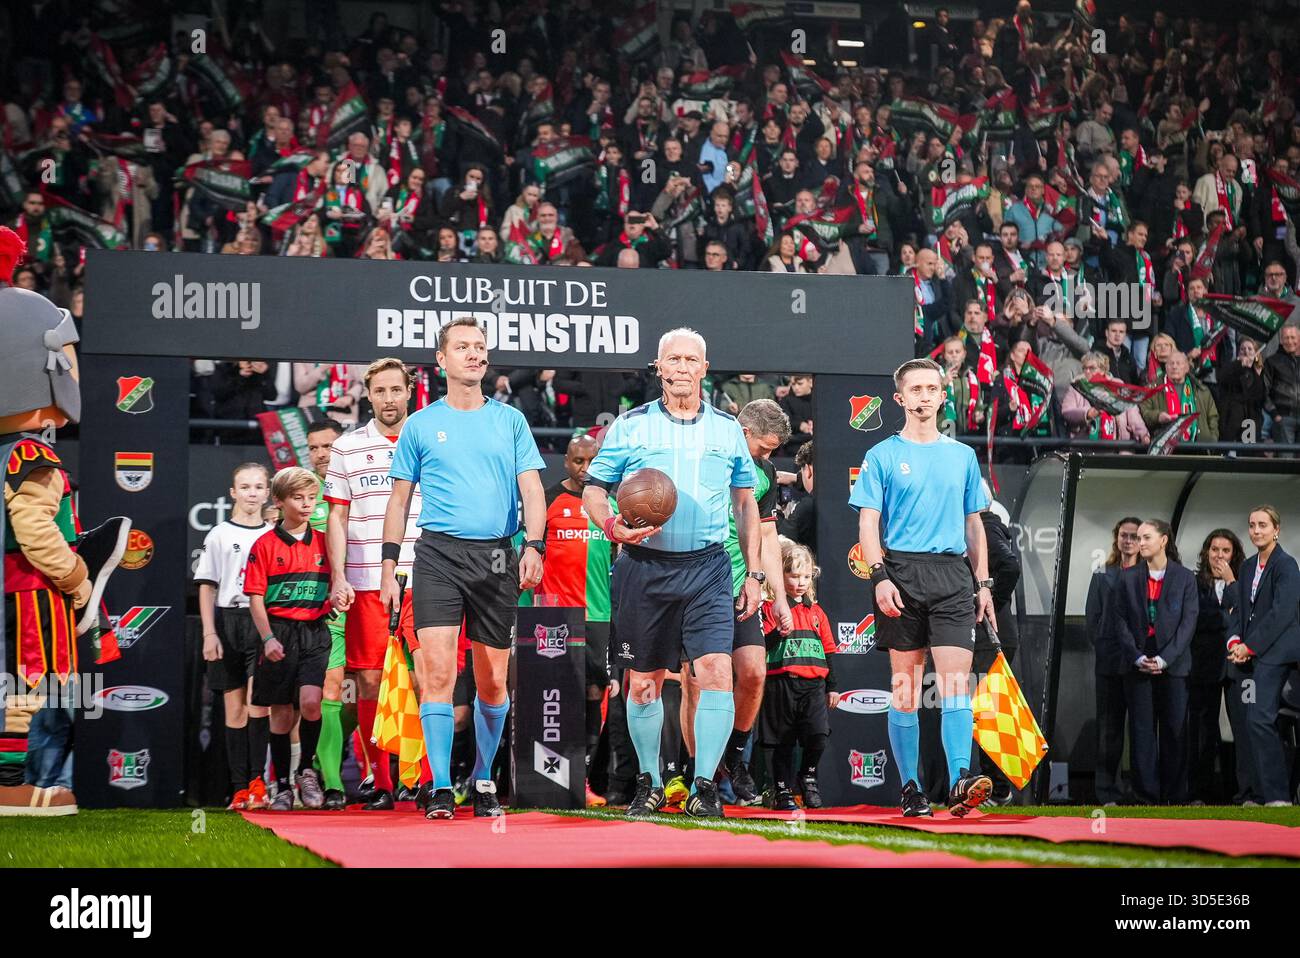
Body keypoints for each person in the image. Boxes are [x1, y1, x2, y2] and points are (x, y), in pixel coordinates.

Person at [582, 327, 762, 819]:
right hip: (644, 567)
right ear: (659, 368)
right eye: (673, 360)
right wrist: (612, 525)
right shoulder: (631, 426)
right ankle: (650, 781)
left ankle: (704, 784)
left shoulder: (727, 429)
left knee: (716, 673)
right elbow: (593, 491)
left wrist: (755, 575)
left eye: (691, 360)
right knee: (643, 683)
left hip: (708, 568)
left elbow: (746, 505)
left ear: (705, 368)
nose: (682, 368)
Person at [381, 317, 547, 820]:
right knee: (435, 672)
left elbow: (533, 488)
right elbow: (400, 499)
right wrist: (389, 565)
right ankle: (436, 785)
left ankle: (480, 778)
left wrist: (534, 545)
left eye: (480, 347)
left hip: (497, 556)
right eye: (463, 347)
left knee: (493, 682)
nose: (474, 354)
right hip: (437, 556)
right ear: (441, 360)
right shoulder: (420, 424)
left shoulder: (511, 421)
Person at [851, 357, 996, 818]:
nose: (924, 396)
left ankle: (959, 782)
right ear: (900, 398)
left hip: (953, 576)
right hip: (901, 573)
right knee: (906, 688)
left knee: (956, 685)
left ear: (941, 395)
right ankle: (912, 788)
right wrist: (879, 577)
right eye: (915, 390)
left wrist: (984, 583)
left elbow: (975, 524)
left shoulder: (963, 456)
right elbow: (868, 523)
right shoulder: (881, 456)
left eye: (931, 388)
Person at [324, 359, 424, 811]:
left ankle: (422, 778)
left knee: (429, 678)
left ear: (409, 392)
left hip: (426, 575)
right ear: (369, 395)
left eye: (395, 390)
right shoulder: (347, 447)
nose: (388, 399)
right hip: (365, 578)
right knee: (368, 680)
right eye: (379, 391)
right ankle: (380, 780)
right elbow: (337, 517)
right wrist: (340, 575)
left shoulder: (428, 438)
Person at [684, 398, 792, 807]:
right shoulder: (705, 455)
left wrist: (776, 596)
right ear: (743, 433)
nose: (768, 458)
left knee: (753, 674)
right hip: (696, 582)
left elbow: (765, 537)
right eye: (764, 448)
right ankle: (700, 776)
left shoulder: (762, 472)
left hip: (743, 585)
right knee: (697, 683)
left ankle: (736, 757)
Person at [244, 467, 335, 811]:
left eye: (312, 498)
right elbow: (255, 596)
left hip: (314, 630)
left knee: (312, 703)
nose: (307, 504)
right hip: (278, 631)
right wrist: (267, 638)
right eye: (298, 498)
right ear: (279, 502)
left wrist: (336, 599)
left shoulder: (326, 542)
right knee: (281, 714)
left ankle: (306, 770)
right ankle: (281, 784)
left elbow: (336, 585)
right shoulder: (264, 545)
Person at [537, 434, 618, 806]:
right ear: (565, 461)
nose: (585, 469)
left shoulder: (610, 504)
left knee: (594, 694)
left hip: (599, 614)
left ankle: (583, 778)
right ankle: (549, 778)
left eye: (592, 462)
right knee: (555, 697)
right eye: (577, 461)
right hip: (554, 616)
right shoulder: (548, 500)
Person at [196, 463, 274, 811]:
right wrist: (210, 632)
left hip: (262, 622)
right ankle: (239, 788)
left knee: (260, 705)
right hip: (228, 621)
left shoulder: (273, 534)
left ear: (268, 492)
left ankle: (260, 782)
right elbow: (207, 586)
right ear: (233, 492)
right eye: (245, 487)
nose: (252, 493)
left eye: (258, 487)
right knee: (234, 710)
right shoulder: (219, 534)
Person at [1108, 519, 1198, 805]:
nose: (1140, 542)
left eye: (1146, 537)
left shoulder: (1185, 578)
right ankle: (1146, 795)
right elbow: (1118, 620)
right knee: (1142, 731)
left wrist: (1165, 659)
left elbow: (1188, 622)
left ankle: (1175, 795)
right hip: (1138, 663)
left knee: (1174, 729)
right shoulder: (1128, 577)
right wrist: (1136, 656)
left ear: (1163, 541)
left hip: (1174, 665)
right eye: (1138, 537)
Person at [1226, 506, 1300, 806]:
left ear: (1276, 530)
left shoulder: (1287, 565)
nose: (1256, 531)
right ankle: (1259, 794)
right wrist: (1234, 642)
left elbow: (1281, 614)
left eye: (1263, 525)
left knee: (1259, 718)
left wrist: (1251, 646)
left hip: (1278, 652)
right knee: (1251, 723)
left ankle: (1277, 797)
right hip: (1250, 653)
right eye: (1252, 525)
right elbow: (1241, 612)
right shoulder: (1246, 567)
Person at [758, 538, 838, 810]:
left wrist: (833, 686)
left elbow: (829, 650)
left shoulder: (817, 613)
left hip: (814, 685)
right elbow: (761, 648)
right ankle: (781, 791)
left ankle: (809, 776)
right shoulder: (770, 609)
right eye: (794, 576)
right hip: (780, 683)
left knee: (818, 735)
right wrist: (776, 631)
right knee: (782, 740)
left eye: (806, 576)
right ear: (780, 577)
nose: (801, 582)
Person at [304, 419, 350, 809]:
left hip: (371, 600)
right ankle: (333, 784)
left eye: (328, 446)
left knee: (381, 690)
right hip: (329, 609)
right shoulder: (303, 495)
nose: (321, 454)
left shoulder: (367, 483)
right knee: (329, 693)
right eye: (314, 448)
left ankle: (392, 780)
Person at [1086, 517, 1142, 804]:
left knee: (1143, 730)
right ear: (1116, 537)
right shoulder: (1102, 574)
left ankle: (1144, 791)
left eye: (1134, 536)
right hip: (1109, 663)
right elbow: (1091, 619)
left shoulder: (1150, 572)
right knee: (1109, 730)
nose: (1129, 540)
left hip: (1142, 664)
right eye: (1124, 535)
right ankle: (1107, 791)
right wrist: (1107, 647)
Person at [1190, 529, 1244, 804]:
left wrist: (1232, 584)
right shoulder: (1194, 582)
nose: (1219, 556)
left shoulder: (1242, 582)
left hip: (1238, 667)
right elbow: (1200, 619)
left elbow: (1245, 617)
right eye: (1214, 550)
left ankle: (1239, 791)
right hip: (1203, 667)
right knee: (1202, 732)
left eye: (1225, 551)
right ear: (1206, 552)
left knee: (1240, 728)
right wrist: (1227, 616)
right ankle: (1200, 792)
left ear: (1234, 555)